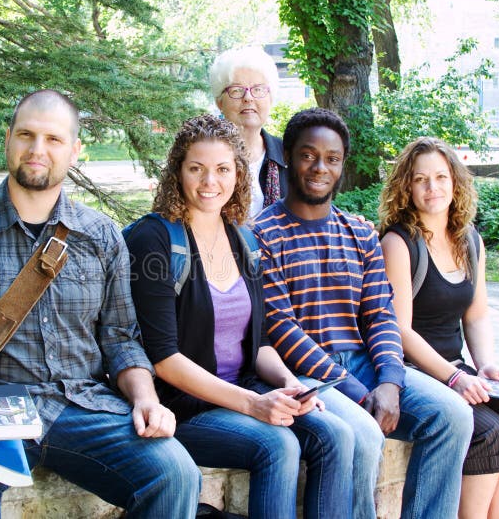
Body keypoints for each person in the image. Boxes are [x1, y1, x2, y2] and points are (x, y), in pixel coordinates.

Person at [0, 89, 201, 518]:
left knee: (175, 473)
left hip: (82, 405)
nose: (37, 150)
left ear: (75, 150)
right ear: (8, 139)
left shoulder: (101, 235)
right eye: (26, 135)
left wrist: (146, 399)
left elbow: (121, 337)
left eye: (53, 140)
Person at [126, 114, 356, 519]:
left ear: (238, 174)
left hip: (248, 388)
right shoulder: (156, 238)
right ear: (178, 171)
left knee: (335, 434)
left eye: (222, 169)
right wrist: (253, 405)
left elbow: (260, 341)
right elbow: (163, 358)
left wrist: (289, 384)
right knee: (277, 444)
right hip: (186, 406)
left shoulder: (244, 238)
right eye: (196, 168)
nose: (209, 181)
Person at [253, 108, 474, 519]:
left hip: (365, 364)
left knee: (454, 415)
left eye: (332, 158)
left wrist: (389, 380)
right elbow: (282, 329)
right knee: (363, 432)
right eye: (308, 155)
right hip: (305, 375)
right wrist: (357, 392)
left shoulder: (359, 232)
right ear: (288, 158)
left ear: (342, 165)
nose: (320, 167)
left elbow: (380, 316)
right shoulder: (262, 235)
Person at [378, 137, 499, 519]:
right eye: (420, 179)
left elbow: (476, 315)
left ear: (455, 181)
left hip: (456, 369)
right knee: (487, 432)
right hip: (415, 373)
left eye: (440, 177)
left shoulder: (470, 241)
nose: (432, 188)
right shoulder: (399, 243)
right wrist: (454, 379)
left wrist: (484, 366)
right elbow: (400, 330)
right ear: (407, 187)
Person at [210, 46, 287, 217]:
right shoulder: (204, 156)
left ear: (270, 98)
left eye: (258, 89)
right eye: (236, 90)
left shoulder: (289, 155)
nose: (248, 97)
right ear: (219, 102)